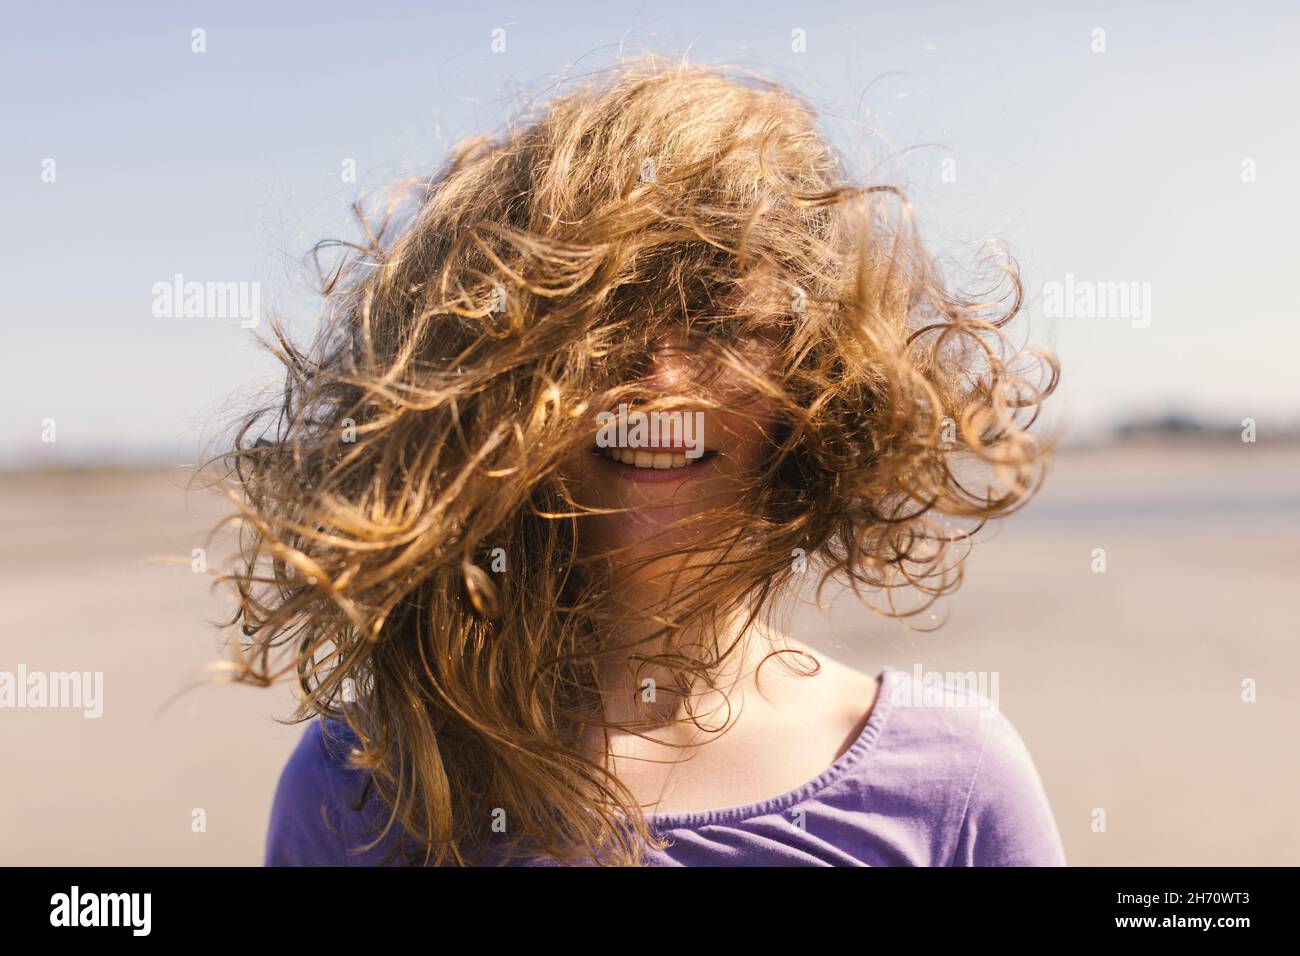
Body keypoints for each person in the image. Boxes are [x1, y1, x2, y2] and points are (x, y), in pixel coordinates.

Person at [213, 55, 1063, 866]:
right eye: (606, 322)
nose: (658, 381)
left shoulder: (953, 783)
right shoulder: (370, 779)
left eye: (715, 320)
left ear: (819, 378)